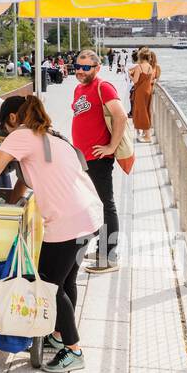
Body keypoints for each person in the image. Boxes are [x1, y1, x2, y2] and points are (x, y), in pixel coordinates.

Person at [0, 95, 103, 373]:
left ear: (13, 119)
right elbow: (25, 181)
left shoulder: (20, 136)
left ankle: (74, 350)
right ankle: (59, 335)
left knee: (48, 286)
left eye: (3, 126)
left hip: (66, 221)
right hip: (88, 213)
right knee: (66, 280)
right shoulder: (51, 136)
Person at [71, 49, 127, 273]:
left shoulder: (103, 87)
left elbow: (121, 115)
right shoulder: (78, 88)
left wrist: (111, 147)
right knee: (92, 204)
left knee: (105, 205)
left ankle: (108, 257)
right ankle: (103, 247)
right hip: (83, 157)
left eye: (86, 67)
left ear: (97, 68)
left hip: (98, 157)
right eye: (78, 67)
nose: (81, 71)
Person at [131, 49, 157, 143]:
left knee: (141, 112)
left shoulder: (139, 67)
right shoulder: (150, 67)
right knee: (146, 111)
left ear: (140, 57)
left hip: (140, 92)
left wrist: (130, 76)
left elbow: (135, 81)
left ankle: (147, 136)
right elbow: (150, 80)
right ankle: (146, 133)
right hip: (148, 91)